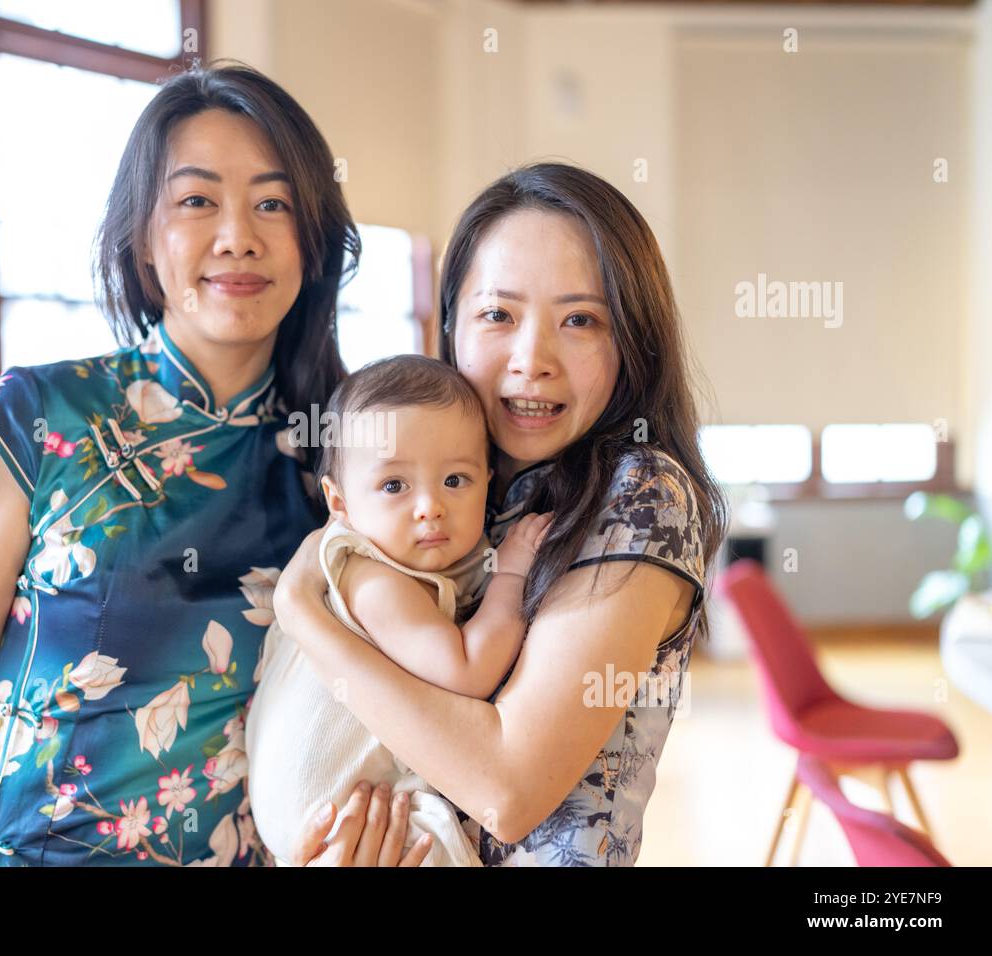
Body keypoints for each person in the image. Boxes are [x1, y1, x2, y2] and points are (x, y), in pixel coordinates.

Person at [0, 61, 426, 867]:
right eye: (198, 201)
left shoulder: (352, 470)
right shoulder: (33, 421)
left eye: (273, 203)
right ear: (145, 238)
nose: (238, 236)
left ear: (314, 244)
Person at [276, 162, 729, 866]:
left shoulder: (641, 494)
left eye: (580, 320)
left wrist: (303, 615)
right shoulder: (460, 487)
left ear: (633, 339)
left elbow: (507, 791)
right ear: (450, 322)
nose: (531, 359)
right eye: (498, 314)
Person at [245, 354, 553, 866]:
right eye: (394, 486)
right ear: (339, 504)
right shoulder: (371, 578)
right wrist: (514, 576)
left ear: (488, 478)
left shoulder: (389, 560)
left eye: (456, 480)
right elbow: (467, 671)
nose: (430, 505)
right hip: (336, 808)